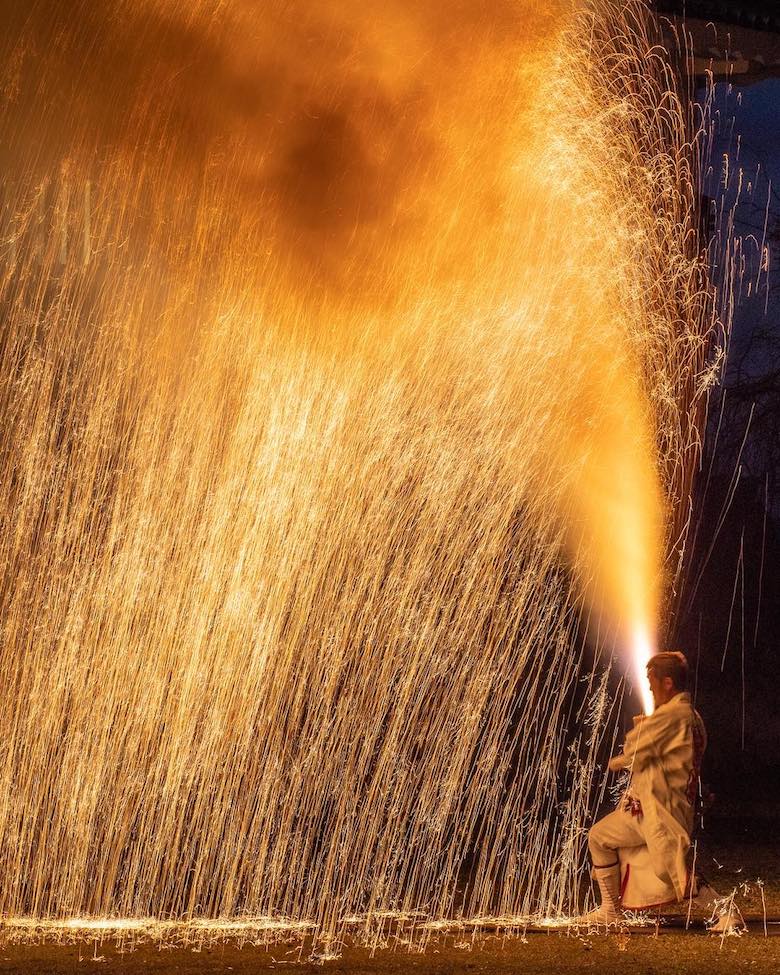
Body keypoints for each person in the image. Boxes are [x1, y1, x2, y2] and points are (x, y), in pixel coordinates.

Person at [578, 651, 713, 927]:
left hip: (662, 811)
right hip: (653, 808)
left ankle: (725, 910)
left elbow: (634, 751)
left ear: (667, 683)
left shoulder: (674, 716)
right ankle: (610, 909)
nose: (650, 690)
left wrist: (637, 735)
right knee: (601, 837)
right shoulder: (691, 716)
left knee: (670, 872)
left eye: (652, 684)